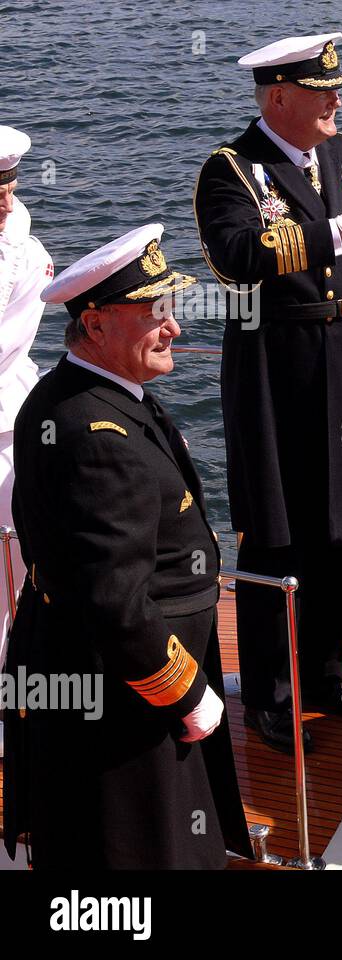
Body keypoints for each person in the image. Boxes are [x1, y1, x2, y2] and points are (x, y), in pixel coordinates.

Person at [1, 224, 251, 868]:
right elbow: (112, 599)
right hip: (126, 702)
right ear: (95, 324)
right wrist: (185, 693)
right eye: (154, 314)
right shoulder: (94, 434)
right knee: (132, 854)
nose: (172, 328)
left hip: (125, 687)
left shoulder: (94, 398)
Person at [192, 32, 342, 752]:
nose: (338, 100)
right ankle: (271, 698)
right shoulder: (231, 170)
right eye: (324, 92)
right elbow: (237, 259)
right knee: (276, 536)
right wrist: (333, 229)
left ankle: (327, 673)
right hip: (273, 372)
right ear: (280, 96)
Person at [0, 127, 52, 760]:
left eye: (9, 184)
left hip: (10, 423)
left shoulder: (21, 249)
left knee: (16, 569)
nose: (6, 198)